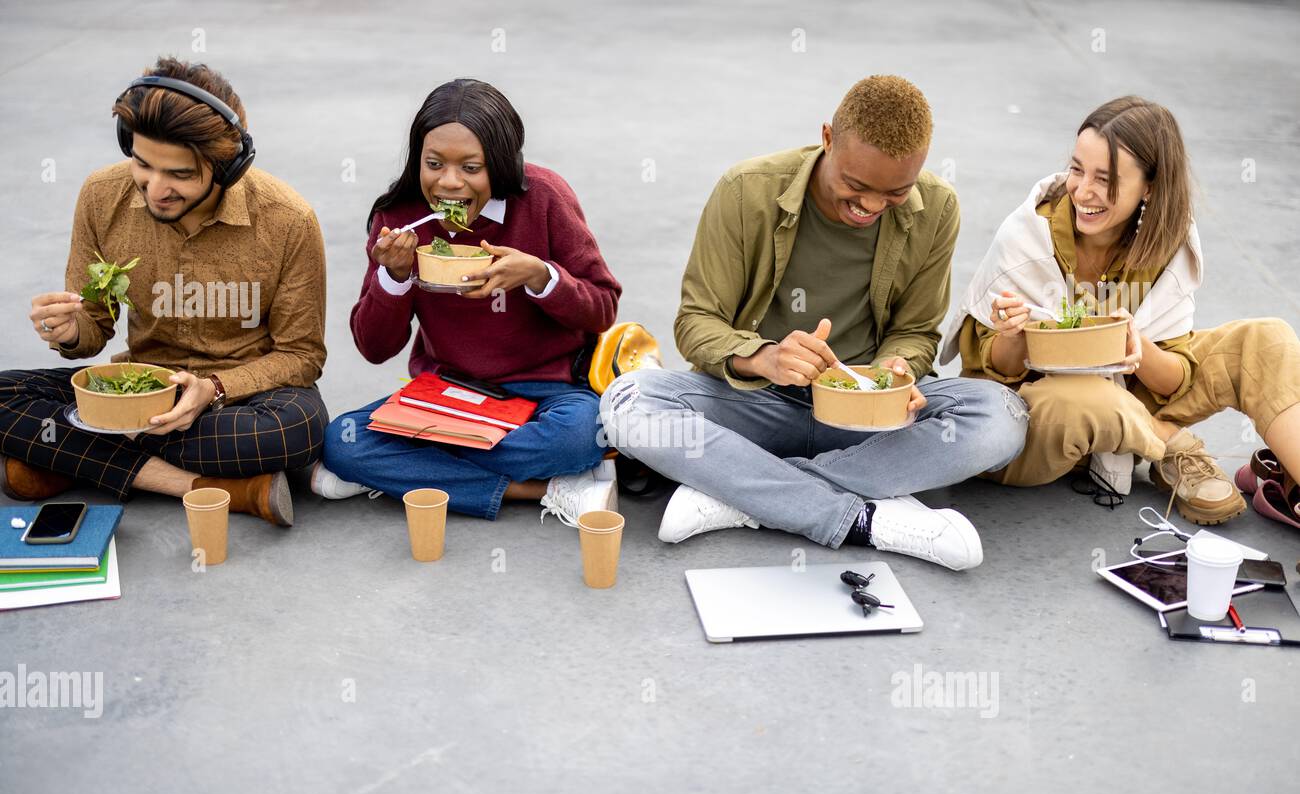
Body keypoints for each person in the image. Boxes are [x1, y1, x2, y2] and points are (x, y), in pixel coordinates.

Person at [599, 76, 1028, 570]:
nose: (870, 206)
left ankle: (741, 493)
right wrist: (767, 358)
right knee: (629, 402)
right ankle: (866, 519)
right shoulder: (745, 191)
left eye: (895, 193)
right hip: (755, 405)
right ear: (827, 137)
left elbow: (916, 332)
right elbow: (697, 323)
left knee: (1003, 415)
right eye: (856, 185)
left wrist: (897, 368)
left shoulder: (937, 206)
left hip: (869, 421)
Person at [938, 95, 1300, 530]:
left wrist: (1136, 345)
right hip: (1041, 422)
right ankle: (1170, 446)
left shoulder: (1167, 240)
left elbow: (1174, 379)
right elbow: (990, 376)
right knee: (1090, 395)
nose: (1083, 191)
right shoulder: (1027, 237)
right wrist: (1015, 335)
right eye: (1077, 169)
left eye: (1104, 179)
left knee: (1267, 338)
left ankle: (1285, 478)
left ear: (1150, 186)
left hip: (1128, 395)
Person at [0, 56, 328, 526]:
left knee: (299, 429)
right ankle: (207, 487)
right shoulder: (100, 195)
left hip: (236, 401)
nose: (155, 189)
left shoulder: (289, 220)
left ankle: (69, 457)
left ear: (228, 166)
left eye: (180, 174)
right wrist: (71, 331)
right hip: (136, 391)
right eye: (142, 164)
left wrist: (214, 388)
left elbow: (301, 355)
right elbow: (93, 329)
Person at [315, 78, 622, 524]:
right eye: (434, 163)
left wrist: (540, 275)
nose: (449, 183)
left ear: (499, 164)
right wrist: (394, 277)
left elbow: (602, 306)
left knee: (577, 437)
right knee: (342, 441)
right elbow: (374, 347)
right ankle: (540, 489)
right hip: (449, 391)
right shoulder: (399, 220)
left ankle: (406, 474)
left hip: (550, 393)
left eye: (471, 168)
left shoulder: (544, 198)